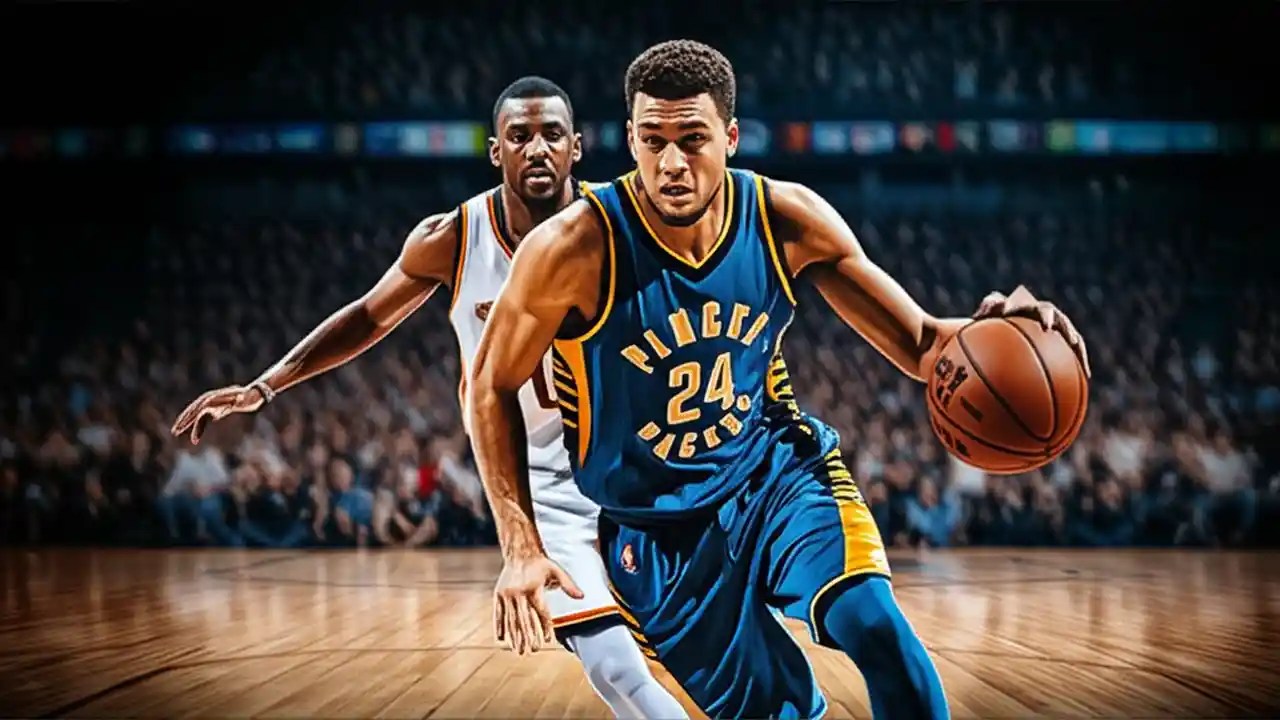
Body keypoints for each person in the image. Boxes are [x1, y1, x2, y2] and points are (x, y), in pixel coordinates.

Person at [467, 41, 1091, 720]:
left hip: (772, 474)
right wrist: (520, 544)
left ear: (731, 138)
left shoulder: (783, 217)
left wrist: (993, 331)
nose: (671, 163)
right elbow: (488, 387)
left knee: (874, 624)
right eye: (652, 141)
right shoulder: (571, 248)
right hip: (655, 531)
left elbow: (921, 343)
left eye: (692, 140)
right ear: (630, 139)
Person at [170, 76, 687, 720]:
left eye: (552, 134)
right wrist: (264, 385)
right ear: (495, 151)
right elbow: (368, 315)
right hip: (537, 482)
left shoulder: (622, 225)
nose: (537, 148)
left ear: (576, 147)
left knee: (703, 649)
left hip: (634, 462)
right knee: (614, 666)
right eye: (519, 136)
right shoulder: (454, 237)